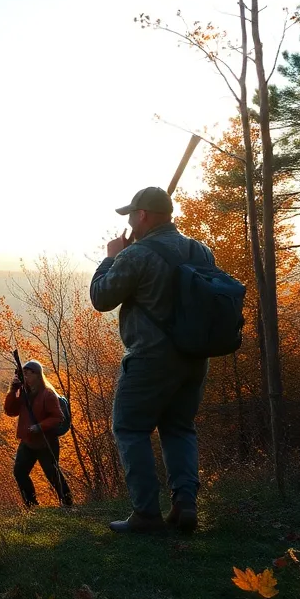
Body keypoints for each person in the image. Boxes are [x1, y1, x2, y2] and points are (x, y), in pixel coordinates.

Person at [89, 186, 213, 534]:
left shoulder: (136, 254)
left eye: (131, 214)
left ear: (142, 216)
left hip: (150, 359)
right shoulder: (200, 250)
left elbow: (101, 298)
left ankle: (146, 514)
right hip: (194, 359)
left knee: (130, 428)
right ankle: (185, 504)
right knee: (179, 427)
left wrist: (111, 257)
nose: (129, 221)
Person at [3, 359, 73, 508]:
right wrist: (13, 390)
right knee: (20, 473)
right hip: (28, 442)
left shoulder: (48, 394)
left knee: (52, 474)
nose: (25, 377)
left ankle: (67, 503)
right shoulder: (24, 393)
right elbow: (10, 411)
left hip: (46, 442)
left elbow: (57, 417)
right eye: (24, 374)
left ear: (37, 375)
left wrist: (39, 427)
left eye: (28, 374)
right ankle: (31, 505)